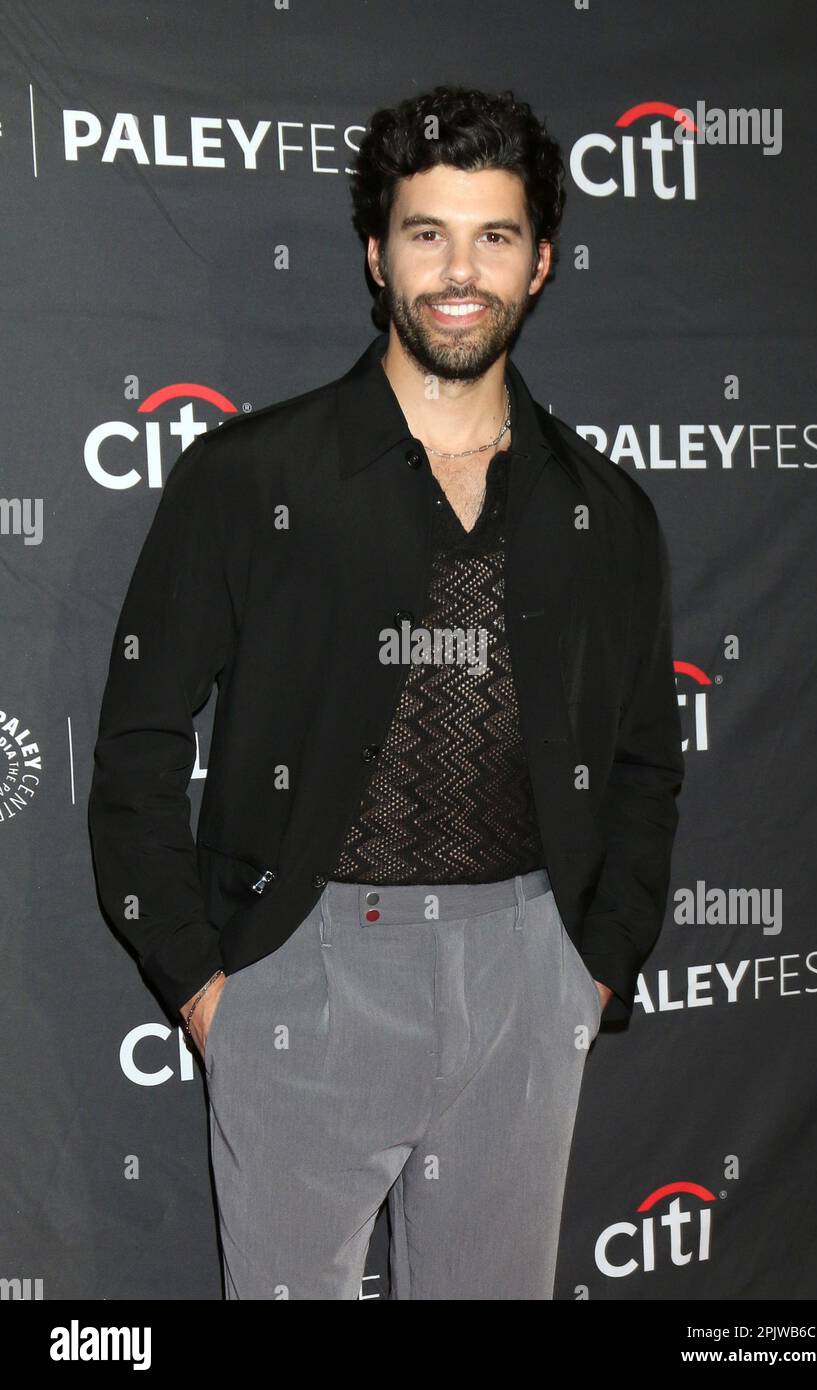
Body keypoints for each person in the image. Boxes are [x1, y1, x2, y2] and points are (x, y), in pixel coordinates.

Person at [88, 84, 685, 1300]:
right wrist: (206, 989)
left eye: (493, 235)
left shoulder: (604, 511)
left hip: (527, 977)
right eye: (427, 233)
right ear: (376, 253)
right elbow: (138, 747)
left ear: (540, 262)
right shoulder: (248, 477)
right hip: (302, 977)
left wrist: (591, 968)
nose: (459, 272)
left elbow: (642, 761)